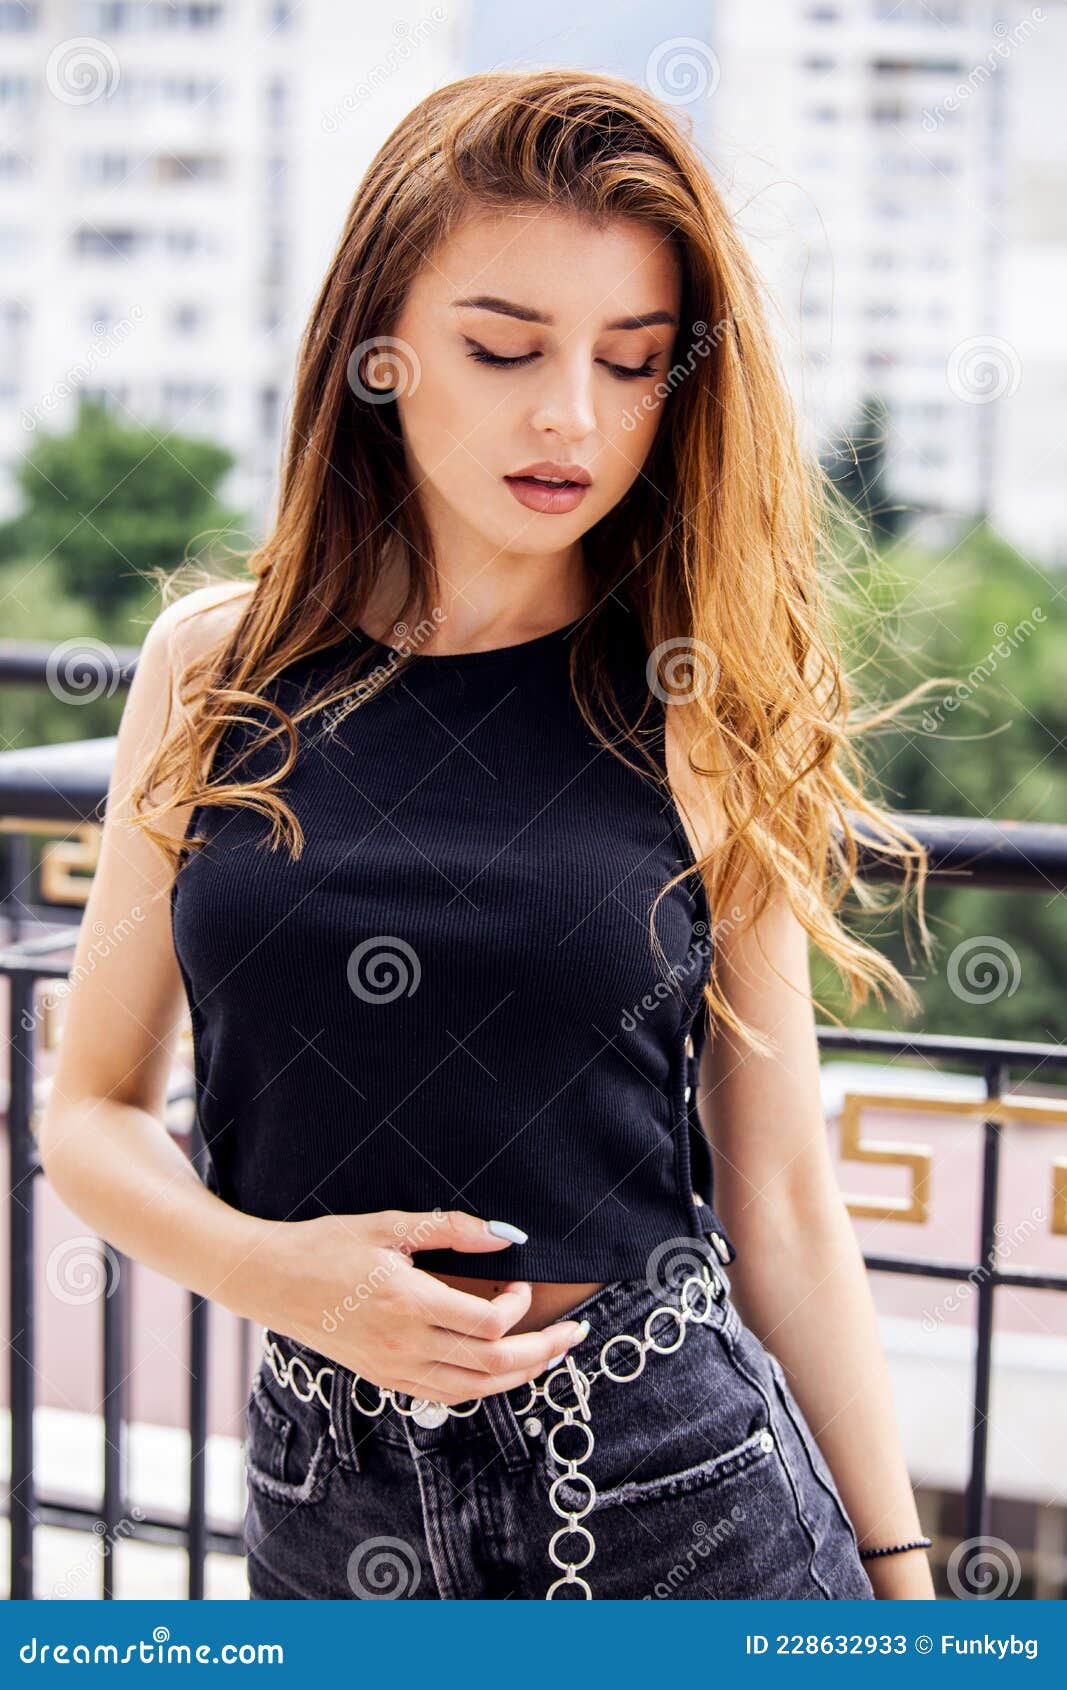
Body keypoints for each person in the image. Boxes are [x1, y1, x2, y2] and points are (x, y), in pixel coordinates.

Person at [38, 68, 938, 1600]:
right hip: (326, 1500)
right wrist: (280, 1273)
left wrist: (906, 1589)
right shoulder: (212, 671)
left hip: (680, 1498)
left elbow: (781, 1193)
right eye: (504, 347)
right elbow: (94, 1112)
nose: (571, 415)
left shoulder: (704, 692)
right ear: (379, 350)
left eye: (635, 361)